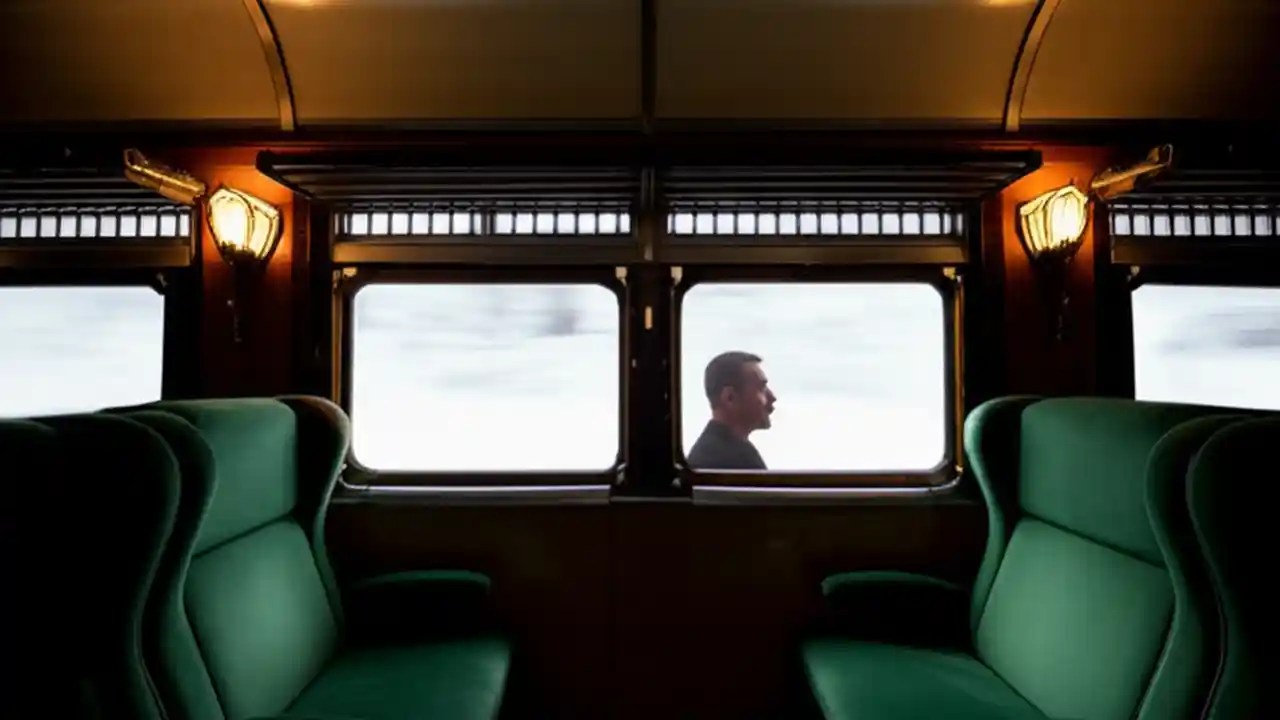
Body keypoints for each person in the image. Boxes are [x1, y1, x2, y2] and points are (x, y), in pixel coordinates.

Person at [686, 351, 776, 470]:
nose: (772, 397)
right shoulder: (731, 459)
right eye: (761, 388)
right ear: (730, 398)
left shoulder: (710, 452)